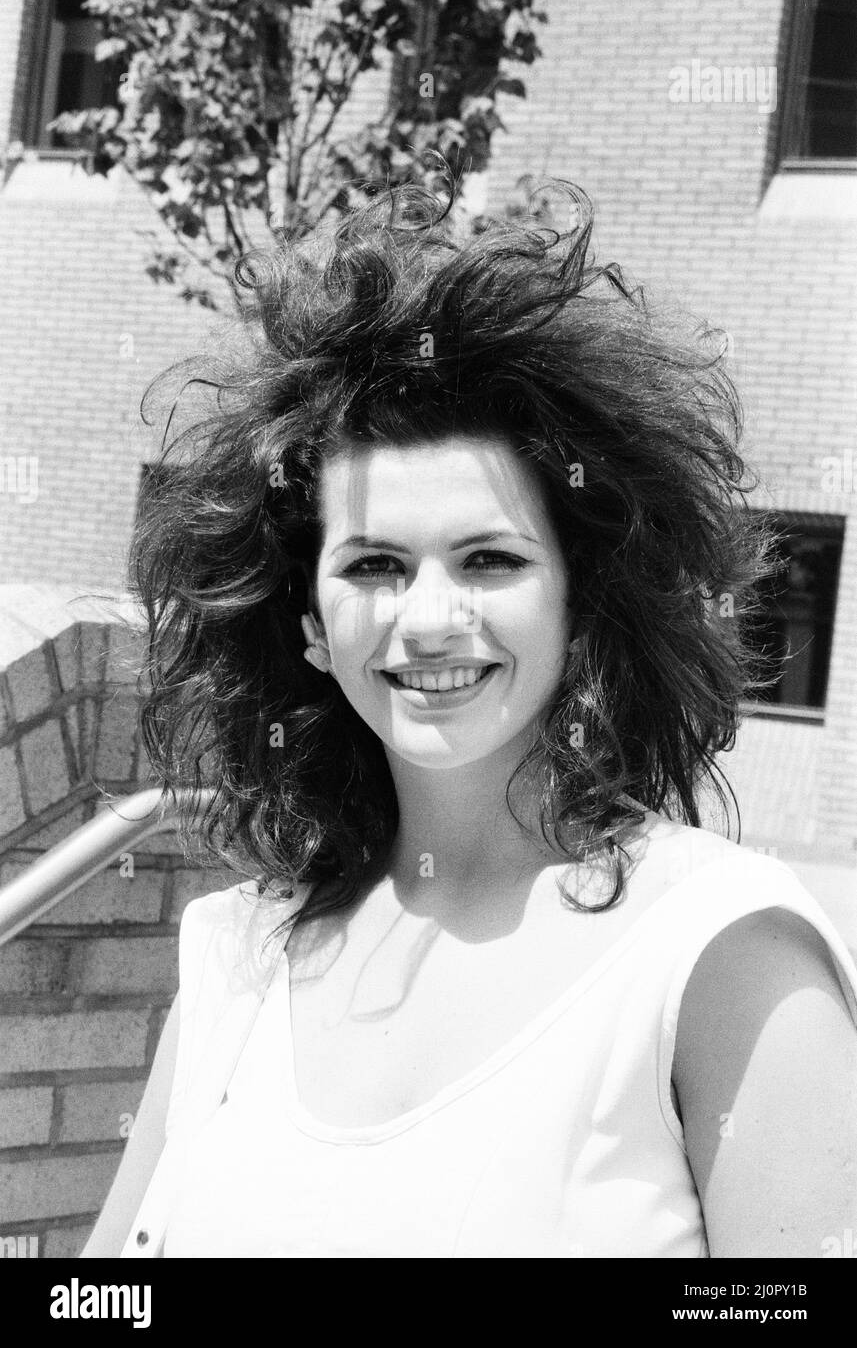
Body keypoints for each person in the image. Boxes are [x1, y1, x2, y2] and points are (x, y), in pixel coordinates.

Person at [81, 181, 857, 1259]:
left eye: (488, 559)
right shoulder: (236, 963)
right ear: (310, 617)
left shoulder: (721, 955)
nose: (429, 619)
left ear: (578, 595)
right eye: (373, 565)